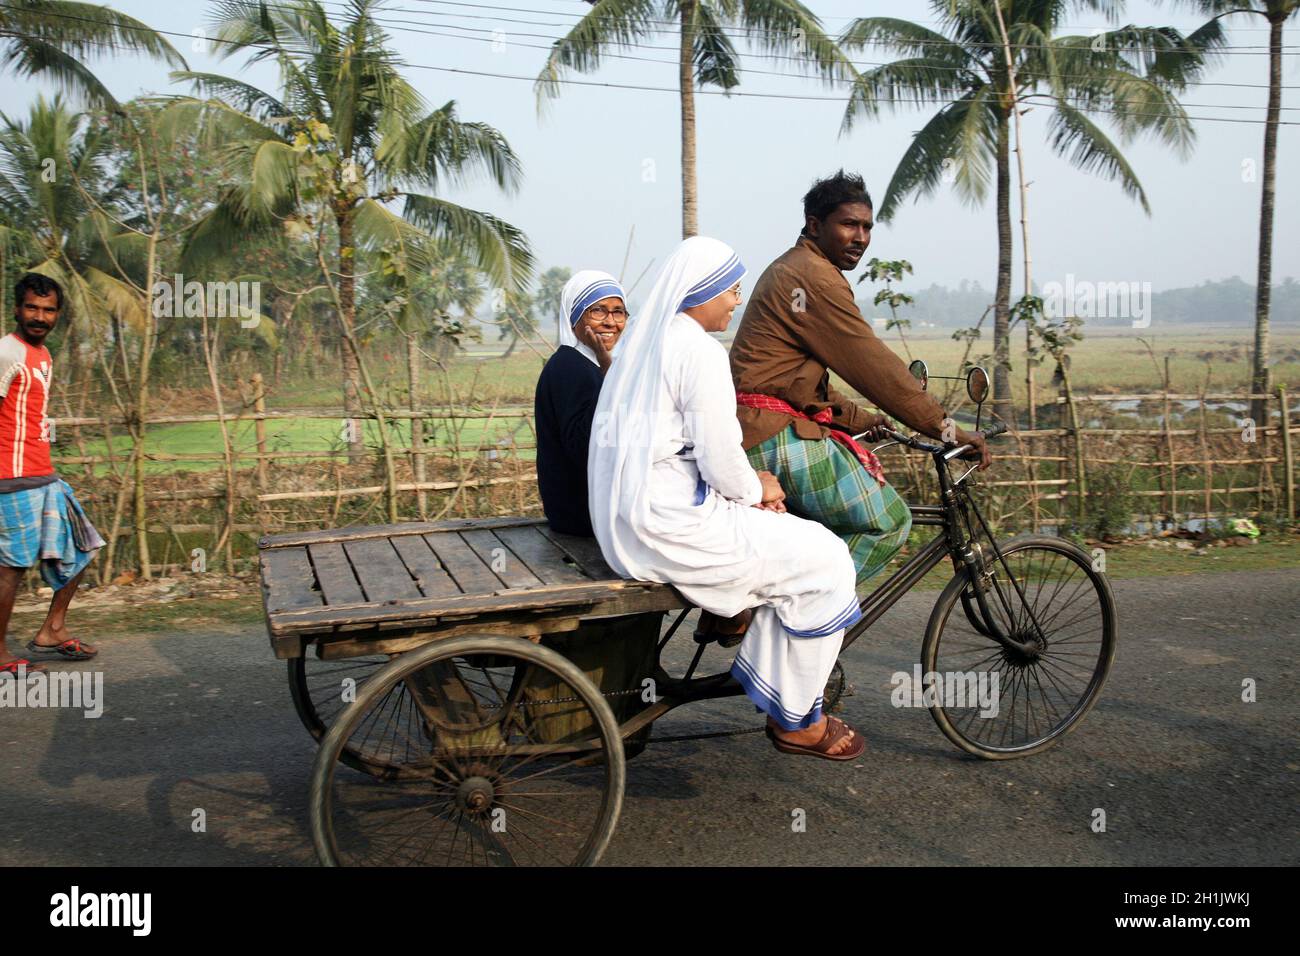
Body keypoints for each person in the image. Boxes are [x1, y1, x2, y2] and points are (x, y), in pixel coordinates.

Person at [589, 236, 865, 760]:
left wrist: (745, 490)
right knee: (827, 557)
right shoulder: (697, 350)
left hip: (632, 518)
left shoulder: (645, 344)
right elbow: (719, 455)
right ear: (703, 292)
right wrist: (757, 488)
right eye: (731, 291)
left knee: (785, 537)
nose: (736, 301)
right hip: (670, 525)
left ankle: (737, 620)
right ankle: (797, 718)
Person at [730, 170, 991, 590]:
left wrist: (860, 419)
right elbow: (874, 367)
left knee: (818, 538)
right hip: (773, 436)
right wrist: (947, 430)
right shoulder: (813, 276)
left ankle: (765, 606)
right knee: (888, 522)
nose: (861, 237)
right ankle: (802, 614)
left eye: (868, 227)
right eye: (849, 224)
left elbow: (797, 384)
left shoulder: (795, 268)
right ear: (815, 225)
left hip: (753, 431)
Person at [0, 273, 105, 675]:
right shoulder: (8, 351)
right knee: (11, 567)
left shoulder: (42, 355)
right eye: (31, 307)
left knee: (82, 546)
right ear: (16, 309)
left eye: (47, 310)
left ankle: (52, 629)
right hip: (11, 478)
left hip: (42, 474)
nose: (39, 316)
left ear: (57, 314)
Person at [534, 270, 627, 537]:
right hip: (581, 512)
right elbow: (584, 448)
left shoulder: (587, 363)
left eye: (618, 312)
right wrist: (610, 373)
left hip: (584, 508)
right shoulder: (572, 367)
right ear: (574, 317)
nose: (611, 322)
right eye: (598, 311)